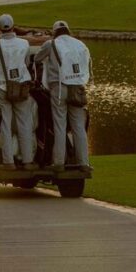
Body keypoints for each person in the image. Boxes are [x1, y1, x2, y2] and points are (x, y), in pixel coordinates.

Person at [0, 13, 37, 170]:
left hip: (2, 87)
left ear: (0, 28)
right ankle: (28, 160)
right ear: (12, 26)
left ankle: (8, 161)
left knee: (6, 124)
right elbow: (26, 62)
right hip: (21, 87)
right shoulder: (24, 44)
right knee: (24, 124)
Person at [43, 19, 92, 171]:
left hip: (59, 88)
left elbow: (38, 58)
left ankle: (58, 163)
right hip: (77, 88)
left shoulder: (51, 44)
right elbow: (88, 65)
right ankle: (84, 162)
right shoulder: (79, 44)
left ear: (55, 32)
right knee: (78, 126)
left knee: (60, 126)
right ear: (67, 31)